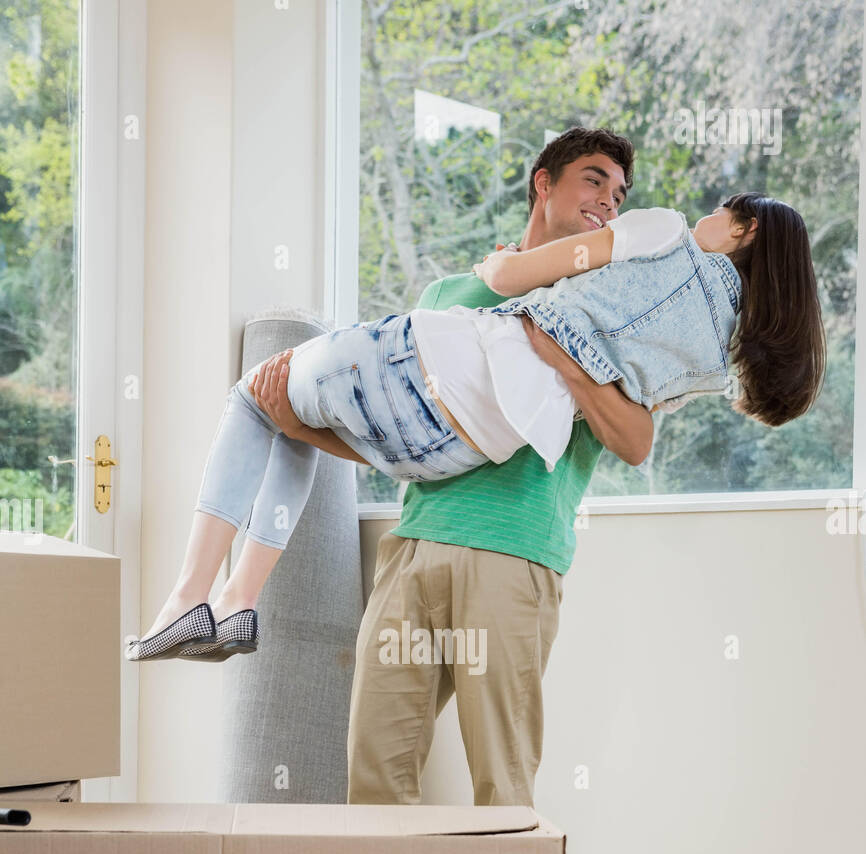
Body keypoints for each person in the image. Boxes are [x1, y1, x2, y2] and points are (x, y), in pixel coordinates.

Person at [126, 178, 823, 673]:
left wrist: (498, 265)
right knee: (284, 418)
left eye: (720, 211)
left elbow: (520, 274)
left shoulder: (665, 231)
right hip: (463, 448)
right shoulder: (706, 364)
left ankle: (188, 596)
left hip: (440, 363)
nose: (705, 216)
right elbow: (630, 429)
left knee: (254, 398)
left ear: (744, 228)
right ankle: (238, 602)